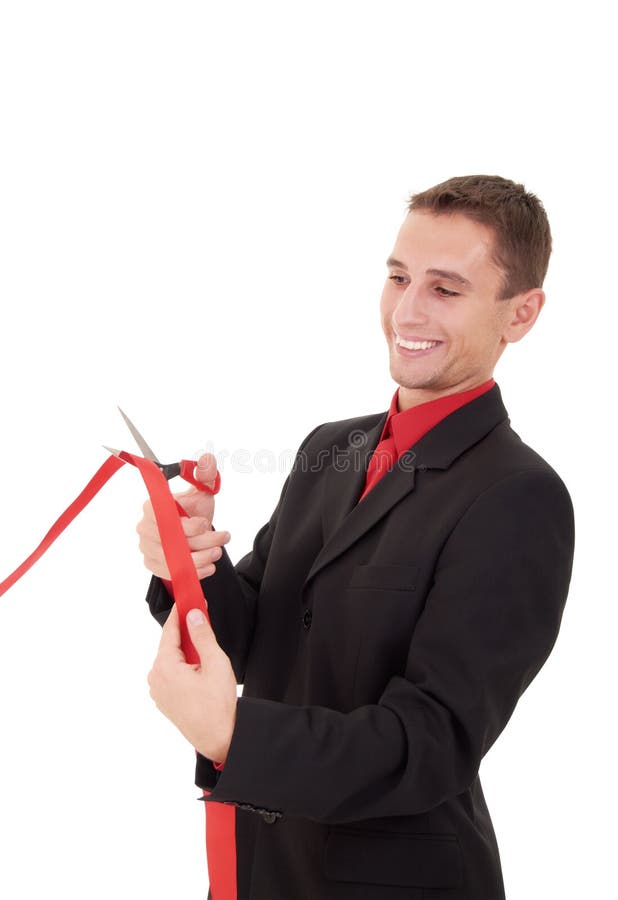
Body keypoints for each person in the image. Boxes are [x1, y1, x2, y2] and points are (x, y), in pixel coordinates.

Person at [138, 174, 575, 900]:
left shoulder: (519, 497)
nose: (407, 310)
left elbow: (430, 744)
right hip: (265, 867)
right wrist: (194, 564)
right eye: (399, 277)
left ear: (520, 314)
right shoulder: (329, 449)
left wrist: (233, 736)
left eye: (445, 289)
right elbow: (256, 636)